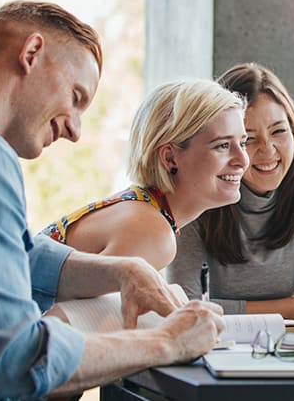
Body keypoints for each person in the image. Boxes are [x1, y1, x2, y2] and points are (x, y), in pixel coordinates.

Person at [0, 1, 225, 399]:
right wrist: (168, 342)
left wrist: (121, 271)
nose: (75, 130)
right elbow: (18, 360)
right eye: (76, 97)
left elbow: (3, 255)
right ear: (31, 54)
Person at [168, 63, 294, 318]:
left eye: (278, 131)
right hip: (217, 344)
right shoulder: (199, 194)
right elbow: (184, 307)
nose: (267, 150)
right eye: (249, 139)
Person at [41, 79, 249, 271]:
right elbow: (67, 311)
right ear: (169, 158)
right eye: (222, 146)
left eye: (243, 143)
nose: (243, 160)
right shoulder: (152, 233)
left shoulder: (144, 209)